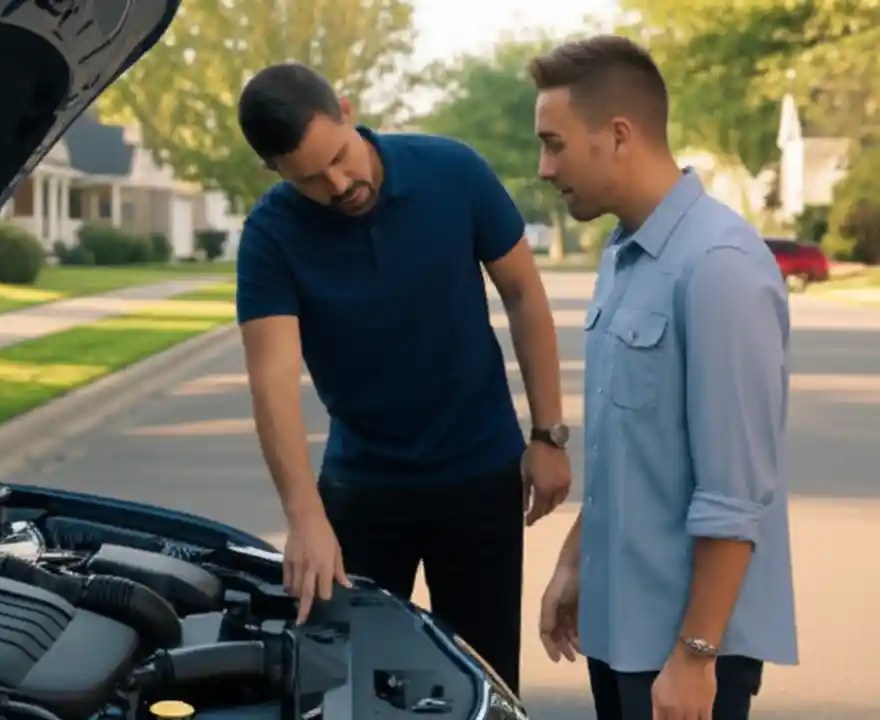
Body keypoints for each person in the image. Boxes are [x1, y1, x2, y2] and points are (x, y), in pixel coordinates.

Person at [233, 62, 571, 695]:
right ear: (275, 173)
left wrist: (548, 434)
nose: (338, 184)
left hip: (480, 477)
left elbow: (524, 294)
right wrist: (305, 517)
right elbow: (272, 377)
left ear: (346, 105)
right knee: (352, 690)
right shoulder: (271, 235)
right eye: (310, 178)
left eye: (339, 156)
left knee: (482, 678)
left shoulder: (453, 171)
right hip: (362, 490)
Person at [528, 35, 799, 720]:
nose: (542, 166)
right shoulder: (625, 257)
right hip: (620, 628)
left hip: (686, 646)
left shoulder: (719, 267)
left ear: (618, 135)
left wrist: (696, 656)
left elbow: (736, 490)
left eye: (554, 143)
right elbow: (631, 447)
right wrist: (575, 560)